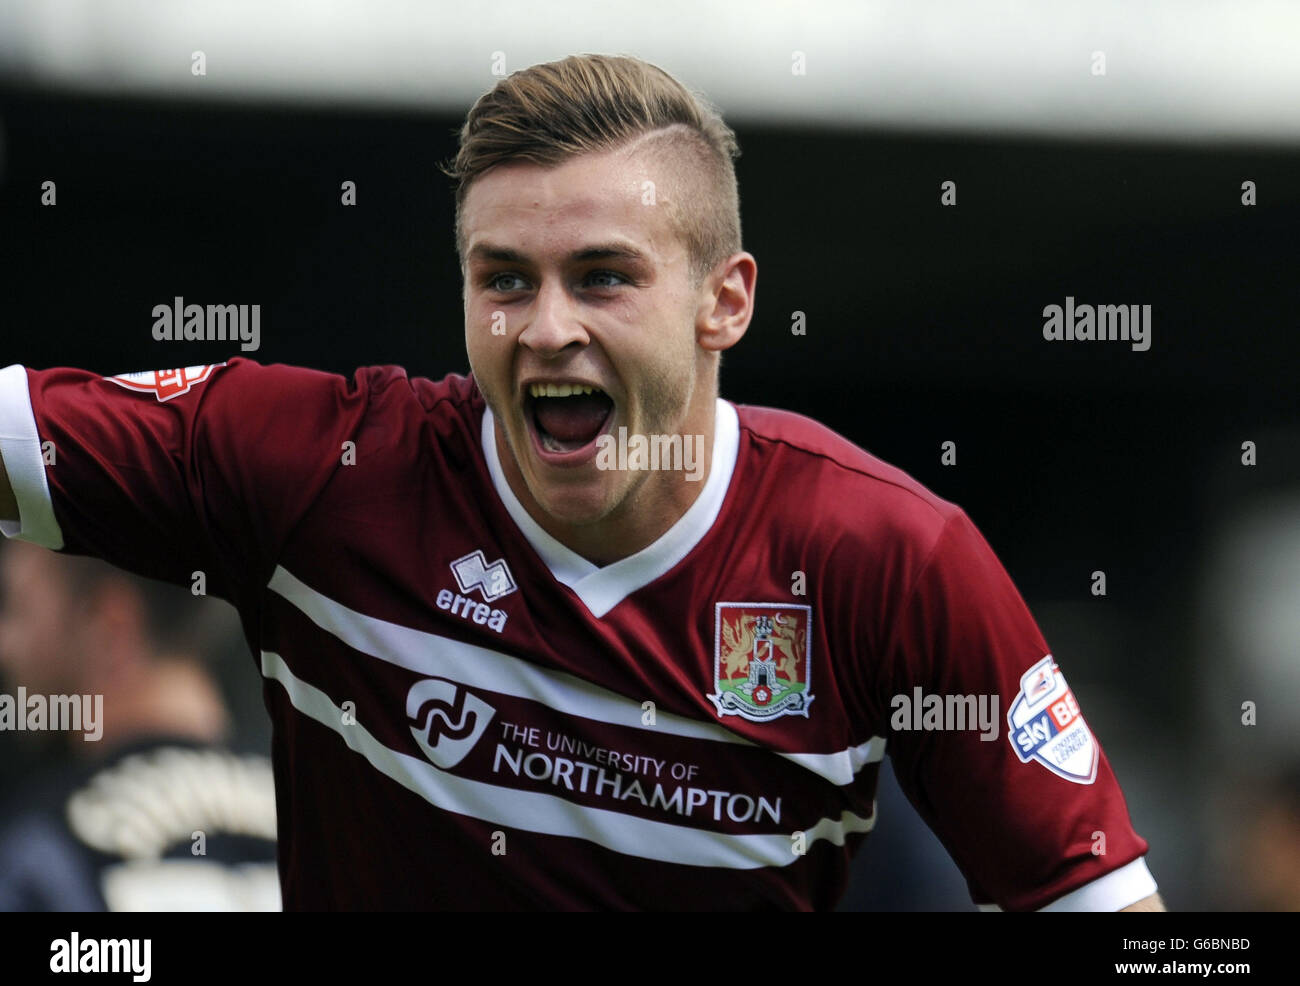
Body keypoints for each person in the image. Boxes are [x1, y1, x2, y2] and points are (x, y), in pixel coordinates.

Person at [0, 53, 1160, 910]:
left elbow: (1100, 908)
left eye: (603, 277)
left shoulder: (883, 556)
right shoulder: (322, 472)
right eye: (503, 279)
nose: (545, 327)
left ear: (727, 301)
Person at [0, 541, 279, 910]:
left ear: (110, 627)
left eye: (18, 609)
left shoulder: (42, 851)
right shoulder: (323, 822)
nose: (5, 647)